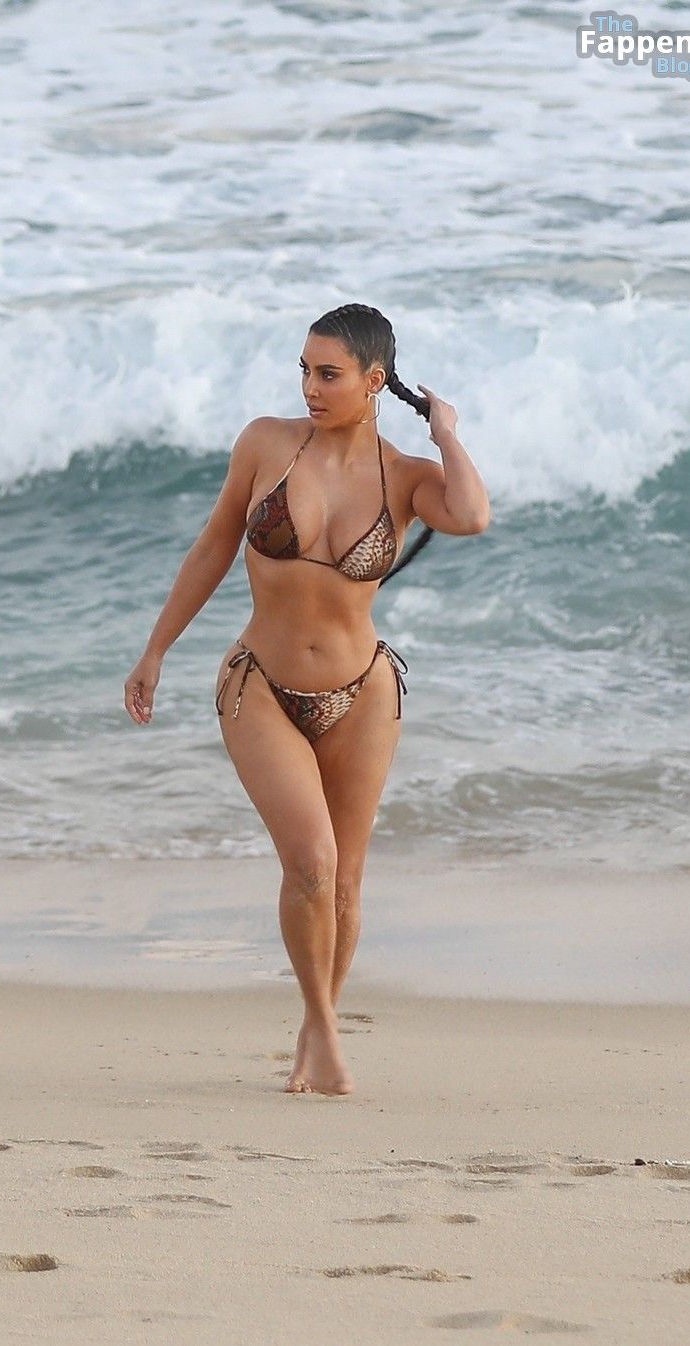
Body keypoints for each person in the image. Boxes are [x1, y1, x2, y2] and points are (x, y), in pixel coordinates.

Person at [124, 302, 490, 1096]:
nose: (310, 388)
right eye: (304, 371)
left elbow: (471, 514)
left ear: (374, 380)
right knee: (311, 864)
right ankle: (324, 1031)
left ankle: (312, 1032)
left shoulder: (407, 477)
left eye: (329, 374)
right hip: (260, 683)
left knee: (347, 882)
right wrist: (157, 649)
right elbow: (214, 544)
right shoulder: (266, 444)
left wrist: (446, 434)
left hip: (365, 693)